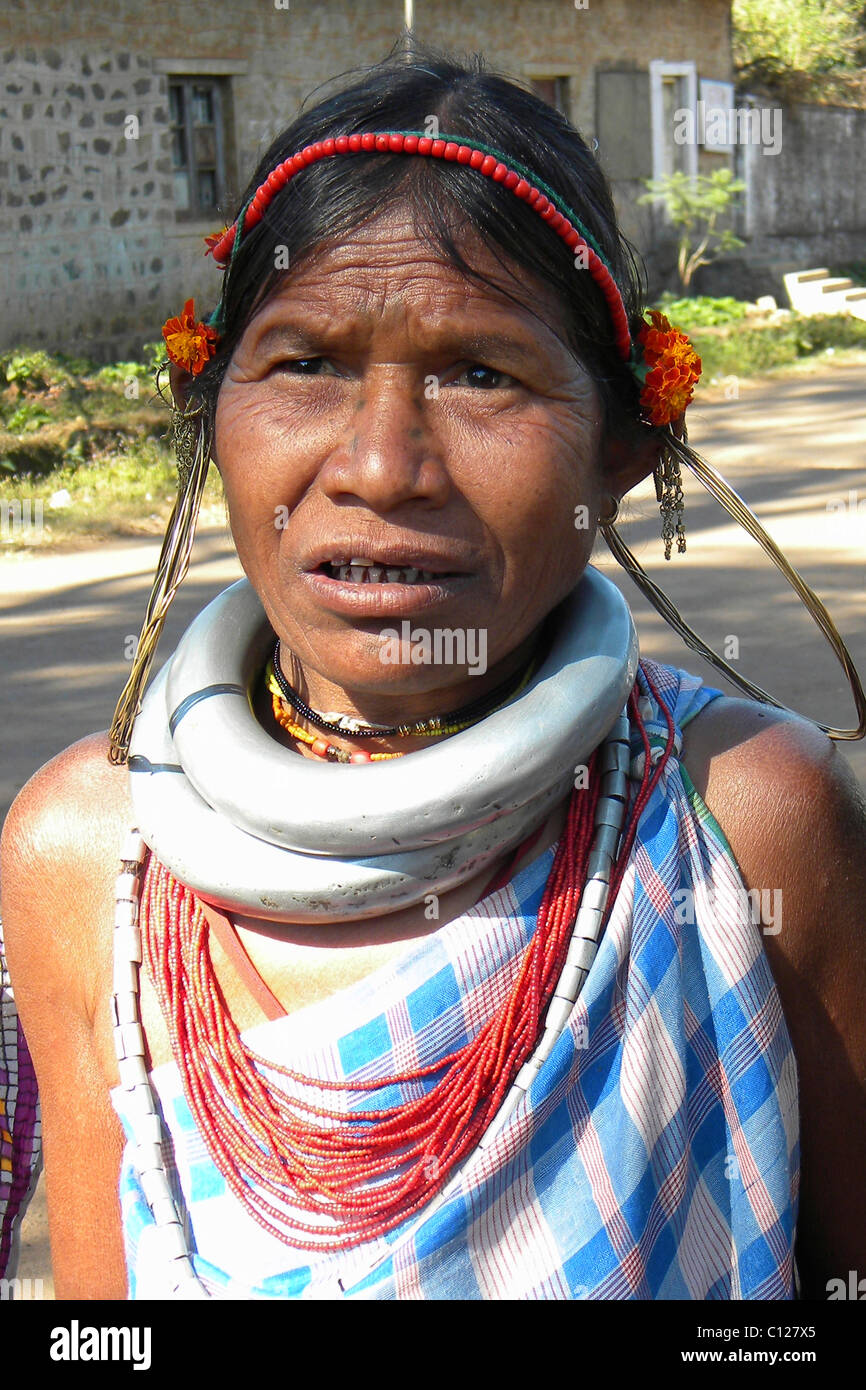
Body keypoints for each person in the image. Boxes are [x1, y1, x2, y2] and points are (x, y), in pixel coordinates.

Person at [2, 47, 865, 1302]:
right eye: (304, 362)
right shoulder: (87, 860)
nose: (381, 465)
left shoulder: (742, 823)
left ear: (620, 447)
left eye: (480, 374)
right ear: (213, 405)